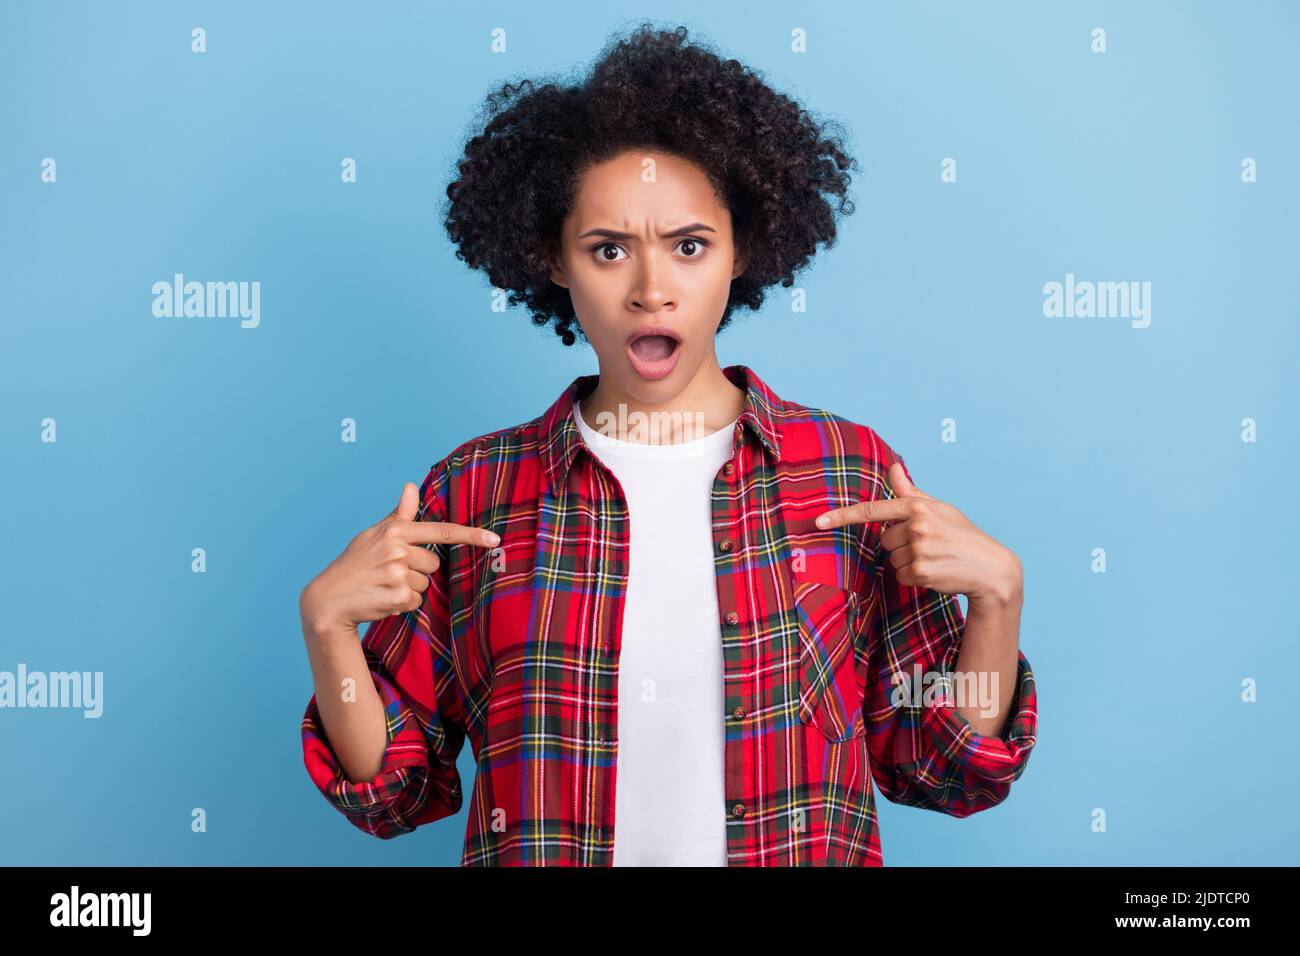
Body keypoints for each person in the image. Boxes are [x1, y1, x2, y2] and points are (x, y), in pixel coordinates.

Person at [298, 23, 1037, 866]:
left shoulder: (848, 472)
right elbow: (392, 789)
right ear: (554, 259)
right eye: (609, 250)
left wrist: (999, 602)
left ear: (741, 250)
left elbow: (943, 769)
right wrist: (325, 628)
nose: (652, 291)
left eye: (689, 247)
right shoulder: (472, 494)